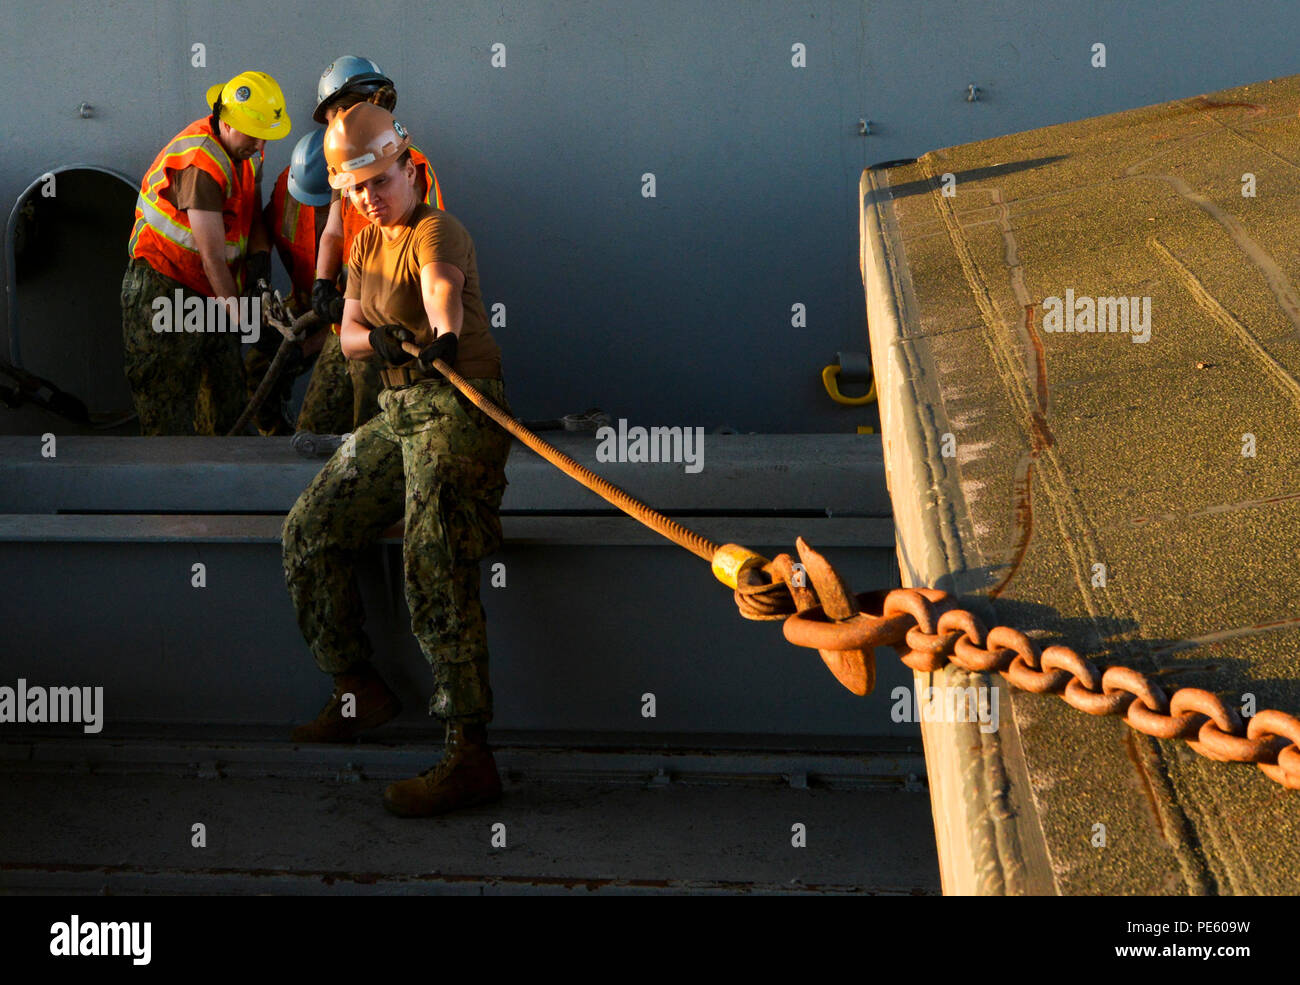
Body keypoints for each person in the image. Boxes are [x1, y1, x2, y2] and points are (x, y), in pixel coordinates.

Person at [281, 103, 512, 818]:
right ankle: (359, 688)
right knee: (309, 528)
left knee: (432, 551)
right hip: (398, 409)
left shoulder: (435, 227)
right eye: (357, 190)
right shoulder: (362, 245)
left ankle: (469, 751)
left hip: (458, 407)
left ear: (407, 168)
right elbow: (349, 330)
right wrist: (376, 344)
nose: (371, 199)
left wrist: (442, 335)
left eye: (380, 182)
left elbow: (442, 289)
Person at [122, 71, 290, 434]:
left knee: (226, 402)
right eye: (253, 135)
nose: (261, 147)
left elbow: (251, 213)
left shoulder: (249, 150)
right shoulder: (201, 164)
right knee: (167, 407)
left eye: (266, 137)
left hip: (213, 291)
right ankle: (171, 485)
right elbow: (212, 256)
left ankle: (227, 481)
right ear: (227, 122)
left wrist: (259, 266)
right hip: (165, 288)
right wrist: (246, 323)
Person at [306, 56, 447, 431]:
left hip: (389, 329)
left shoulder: (403, 165)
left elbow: (416, 249)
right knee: (313, 430)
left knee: (372, 434)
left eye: (338, 112)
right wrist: (323, 285)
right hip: (351, 324)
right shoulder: (346, 170)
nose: (334, 124)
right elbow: (334, 232)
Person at [245, 128, 340, 434]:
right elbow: (266, 224)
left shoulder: (366, 207)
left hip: (351, 320)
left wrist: (306, 348)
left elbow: (367, 306)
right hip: (304, 299)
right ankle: (275, 441)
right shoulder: (290, 184)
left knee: (322, 414)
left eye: (322, 203)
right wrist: (259, 264)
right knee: (259, 371)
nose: (314, 208)